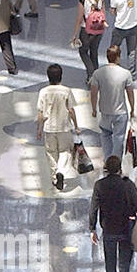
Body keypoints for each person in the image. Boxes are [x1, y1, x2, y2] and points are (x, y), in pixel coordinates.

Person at [89, 155, 137, 272]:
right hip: (126, 229)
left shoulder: (99, 185)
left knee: (110, 261)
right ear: (120, 169)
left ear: (106, 169)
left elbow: (93, 209)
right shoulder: (127, 185)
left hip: (108, 229)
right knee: (124, 265)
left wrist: (92, 228)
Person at [36, 63, 78, 192]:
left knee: (51, 152)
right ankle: (61, 170)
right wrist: (76, 125)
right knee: (65, 151)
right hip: (64, 126)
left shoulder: (43, 92)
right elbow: (71, 110)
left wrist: (39, 128)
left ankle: (55, 177)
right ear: (61, 76)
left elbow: (40, 113)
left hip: (49, 128)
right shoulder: (66, 91)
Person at [90, 46, 135, 162]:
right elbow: (130, 93)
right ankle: (116, 162)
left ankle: (107, 160)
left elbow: (94, 93)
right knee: (119, 138)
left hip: (105, 111)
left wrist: (94, 108)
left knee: (105, 135)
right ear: (118, 57)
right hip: (121, 112)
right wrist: (132, 108)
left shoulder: (97, 73)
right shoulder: (126, 74)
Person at [71, 0, 108, 82]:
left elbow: (79, 19)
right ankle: (96, 75)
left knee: (83, 51)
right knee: (94, 51)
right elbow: (104, 14)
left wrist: (74, 35)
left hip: (86, 30)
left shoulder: (83, 1)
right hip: (99, 29)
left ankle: (91, 74)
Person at [110, 0, 137, 70]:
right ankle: (131, 73)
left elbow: (113, 12)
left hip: (120, 27)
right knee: (132, 51)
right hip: (134, 26)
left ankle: (114, 69)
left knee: (113, 49)